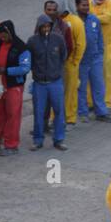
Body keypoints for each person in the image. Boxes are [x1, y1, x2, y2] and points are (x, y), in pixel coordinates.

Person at [0, 20, 30, 155]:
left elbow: (25, 68)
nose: (2, 38)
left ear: (10, 33)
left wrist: (6, 70)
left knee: (13, 115)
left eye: (4, 35)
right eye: (0, 35)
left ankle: (11, 145)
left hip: (13, 86)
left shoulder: (21, 48)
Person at [27, 14, 68, 151]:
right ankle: (38, 140)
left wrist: (55, 70)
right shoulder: (32, 41)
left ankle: (59, 139)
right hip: (39, 84)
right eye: (43, 26)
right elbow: (29, 60)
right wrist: (37, 73)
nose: (46, 29)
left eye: (48, 26)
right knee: (38, 113)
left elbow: (64, 55)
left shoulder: (58, 39)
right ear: (38, 27)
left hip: (55, 82)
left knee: (59, 111)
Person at [76, 0, 111, 123]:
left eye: (87, 5)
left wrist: (100, 54)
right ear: (77, 6)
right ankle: (82, 113)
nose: (86, 7)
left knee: (99, 86)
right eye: (83, 5)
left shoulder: (94, 20)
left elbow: (100, 38)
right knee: (81, 87)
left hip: (95, 58)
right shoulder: (75, 21)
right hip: (81, 61)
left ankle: (101, 113)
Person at [54, 0, 85, 128]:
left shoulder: (76, 21)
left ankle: (70, 119)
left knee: (70, 92)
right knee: (56, 93)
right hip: (56, 65)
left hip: (70, 64)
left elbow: (80, 44)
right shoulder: (54, 21)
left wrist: (74, 62)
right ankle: (54, 118)